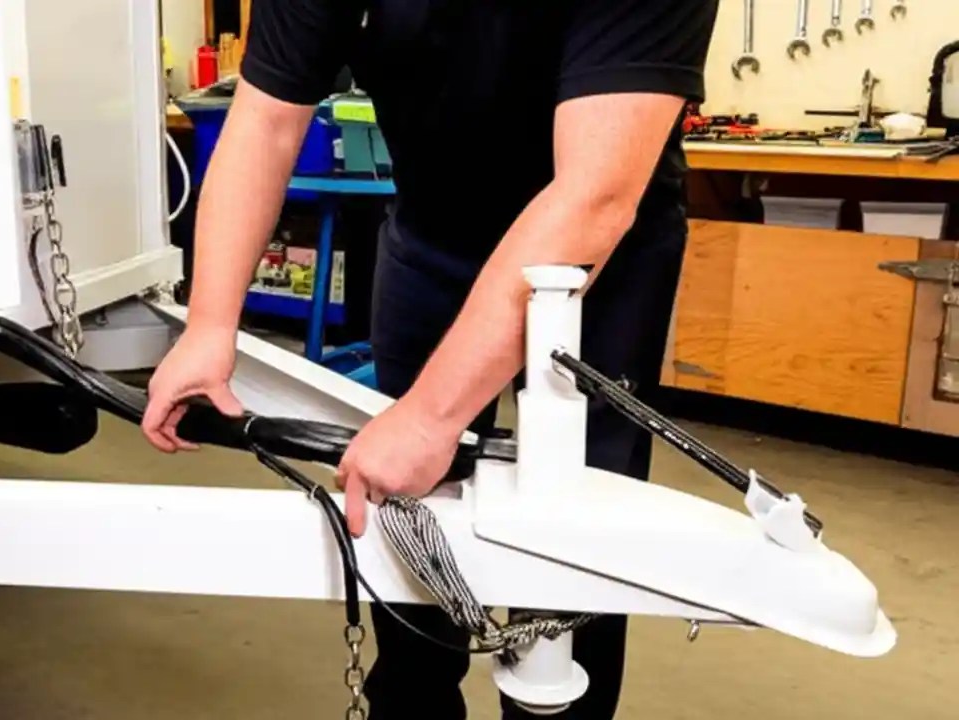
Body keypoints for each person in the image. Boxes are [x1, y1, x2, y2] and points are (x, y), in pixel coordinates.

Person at [143, 1, 719, 717]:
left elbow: (593, 195)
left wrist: (429, 416)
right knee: (407, 519)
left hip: (603, 259)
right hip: (434, 234)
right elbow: (263, 121)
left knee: (578, 539)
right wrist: (208, 326)